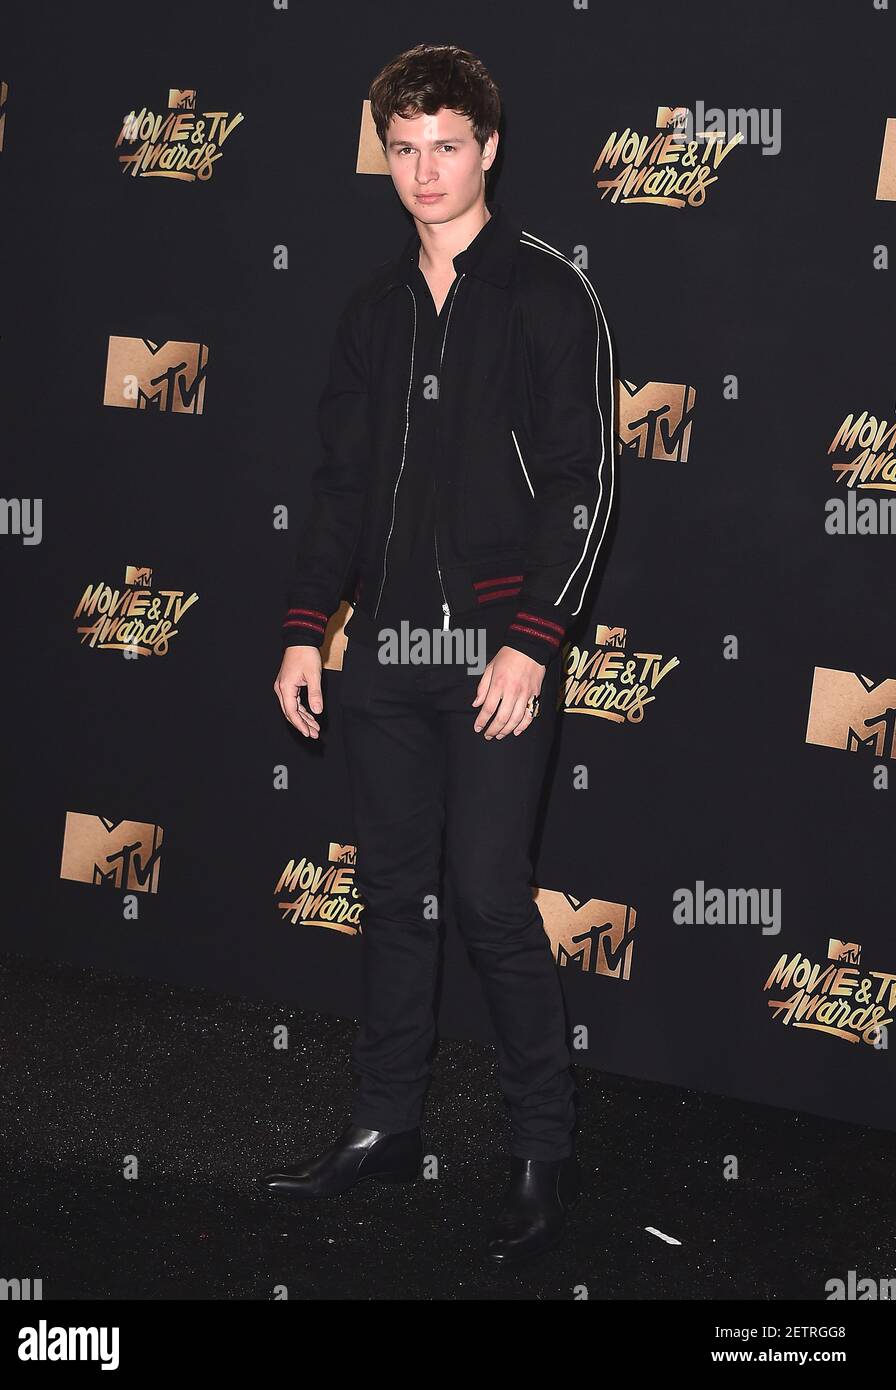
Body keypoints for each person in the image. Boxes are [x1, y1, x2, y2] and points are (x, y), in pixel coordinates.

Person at [261, 42, 615, 1266]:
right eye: (402, 149)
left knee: (486, 899)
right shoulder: (370, 309)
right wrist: (310, 625)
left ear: (488, 150)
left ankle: (538, 1146)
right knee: (392, 903)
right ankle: (384, 1125)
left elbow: (581, 483)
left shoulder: (548, 294)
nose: (423, 170)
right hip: (383, 665)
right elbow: (341, 488)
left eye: (445, 146)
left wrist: (533, 641)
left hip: (495, 654)